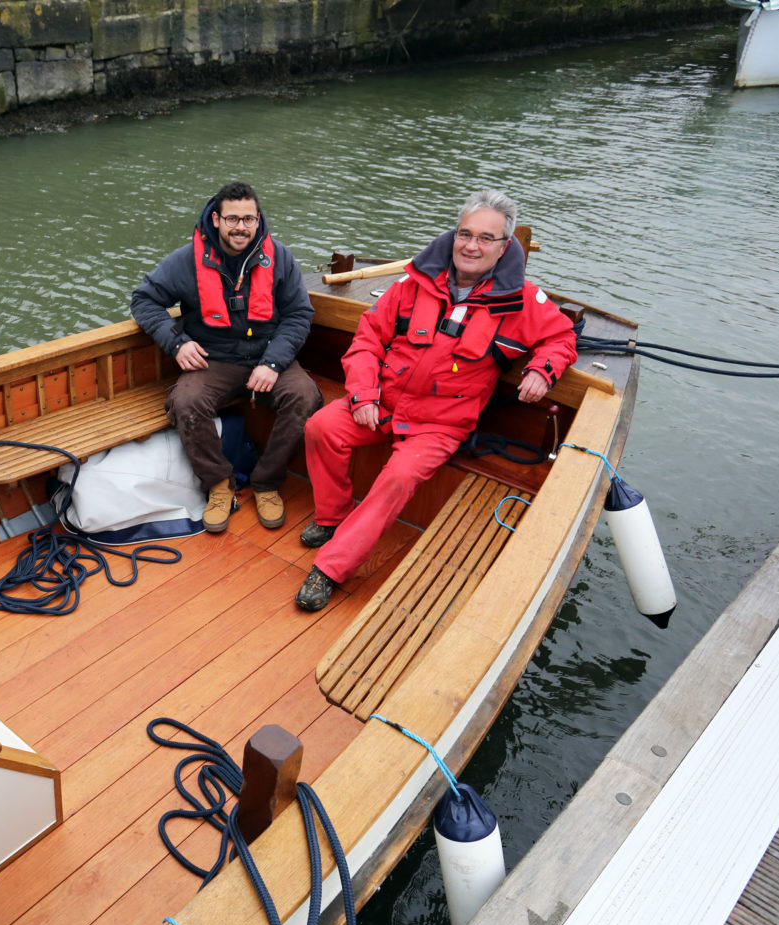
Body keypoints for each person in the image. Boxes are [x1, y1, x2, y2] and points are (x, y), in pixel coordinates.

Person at [295, 190, 578, 611]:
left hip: (439, 425)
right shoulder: (414, 283)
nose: (471, 246)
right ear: (453, 235)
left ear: (504, 248)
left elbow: (561, 338)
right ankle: (333, 518)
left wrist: (542, 370)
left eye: (486, 238)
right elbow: (367, 340)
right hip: (383, 404)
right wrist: (364, 394)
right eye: (465, 234)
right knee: (320, 427)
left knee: (397, 478)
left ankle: (331, 569)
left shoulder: (522, 301)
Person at [131, 182, 321, 533]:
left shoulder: (280, 257)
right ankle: (219, 484)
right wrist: (177, 343)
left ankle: (267, 482)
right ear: (216, 219)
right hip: (213, 358)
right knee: (186, 400)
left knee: (305, 396)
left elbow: (298, 314)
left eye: (248, 218)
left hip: (268, 355)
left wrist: (273, 363)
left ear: (258, 218)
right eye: (232, 218)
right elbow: (144, 300)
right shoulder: (185, 260)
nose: (241, 227)